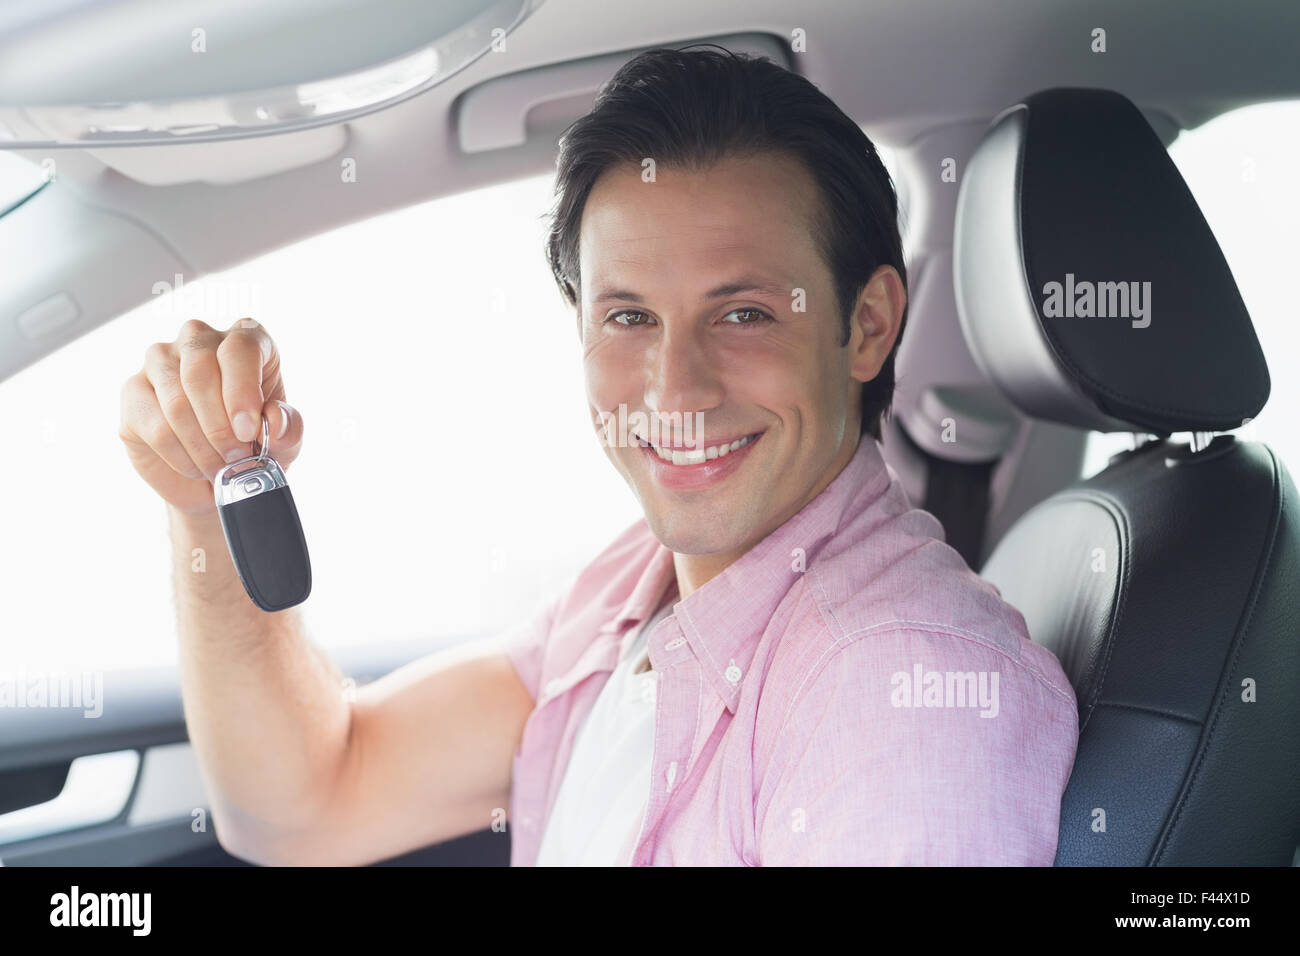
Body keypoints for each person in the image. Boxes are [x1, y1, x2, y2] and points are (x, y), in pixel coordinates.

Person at [118, 46, 1077, 866]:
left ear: (866, 327)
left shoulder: (902, 698)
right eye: (628, 317)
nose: (673, 390)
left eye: (742, 313)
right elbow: (309, 802)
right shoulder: (642, 587)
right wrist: (206, 506)